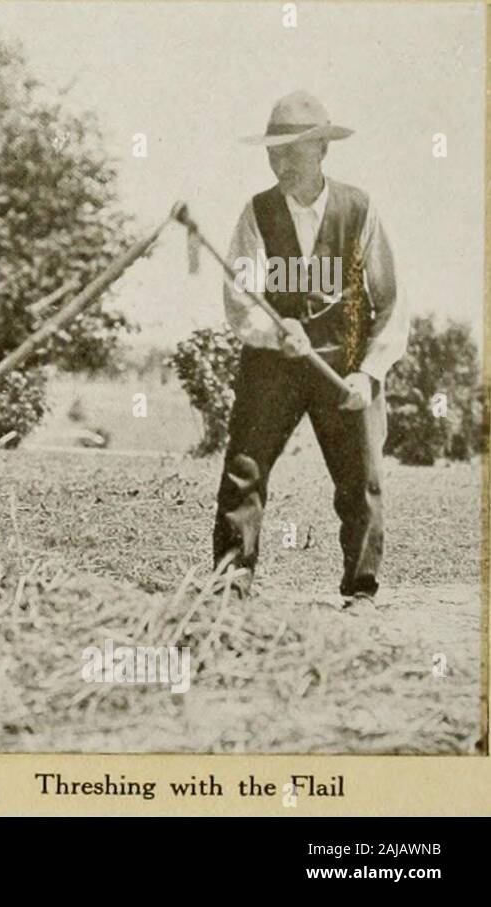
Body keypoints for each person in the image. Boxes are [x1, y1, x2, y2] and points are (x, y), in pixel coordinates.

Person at [214, 91, 409, 608]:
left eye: (292, 152)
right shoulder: (257, 213)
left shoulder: (359, 209)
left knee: (360, 478)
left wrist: (368, 375)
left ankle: (361, 590)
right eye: (273, 152)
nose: (280, 163)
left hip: (343, 366)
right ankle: (231, 585)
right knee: (244, 470)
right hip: (272, 366)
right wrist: (274, 333)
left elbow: (391, 302)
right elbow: (240, 299)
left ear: (322, 151)